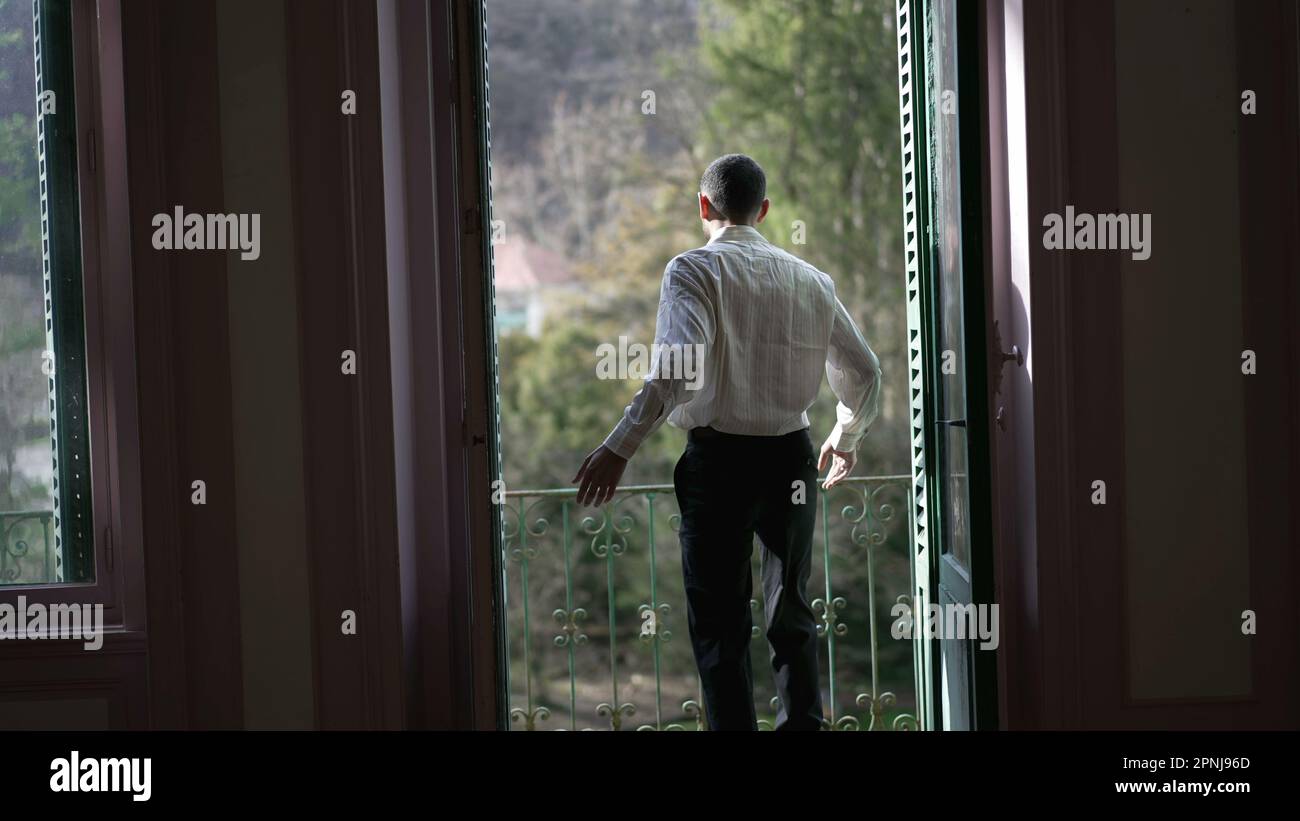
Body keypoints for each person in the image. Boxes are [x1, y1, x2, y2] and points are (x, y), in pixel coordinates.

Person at [571, 153, 883, 731]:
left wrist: (620, 446)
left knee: (719, 627)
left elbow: (678, 368)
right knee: (791, 613)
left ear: (704, 207)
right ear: (763, 211)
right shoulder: (812, 280)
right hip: (791, 458)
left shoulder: (692, 271)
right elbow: (865, 371)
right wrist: (845, 436)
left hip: (719, 465)